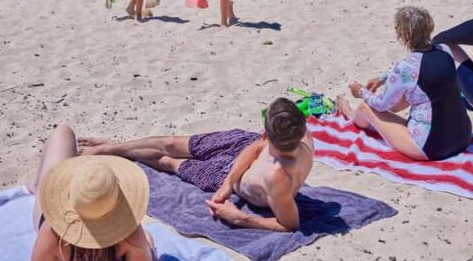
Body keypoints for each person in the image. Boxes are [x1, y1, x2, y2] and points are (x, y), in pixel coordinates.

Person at [79, 98, 313, 232]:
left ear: (266, 133)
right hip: (240, 149)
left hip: (219, 173)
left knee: (168, 162)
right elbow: (255, 148)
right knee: (170, 143)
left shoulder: (278, 177)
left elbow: (289, 224)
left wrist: (239, 218)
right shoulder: (302, 136)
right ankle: (111, 147)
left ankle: (119, 150)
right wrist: (229, 183)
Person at [26, 124, 157, 261]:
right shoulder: (130, 234)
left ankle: (39, 187)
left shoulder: (52, 233)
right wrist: (148, 246)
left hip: (62, 235)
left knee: (63, 132)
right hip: (111, 246)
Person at [335, 7, 472, 161]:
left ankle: (348, 113)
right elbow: (417, 75)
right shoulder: (445, 50)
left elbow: (381, 105)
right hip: (463, 136)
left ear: (404, 35)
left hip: (431, 147)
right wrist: (384, 78)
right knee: (412, 95)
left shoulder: (406, 67)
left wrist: (360, 91)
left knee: (365, 107)